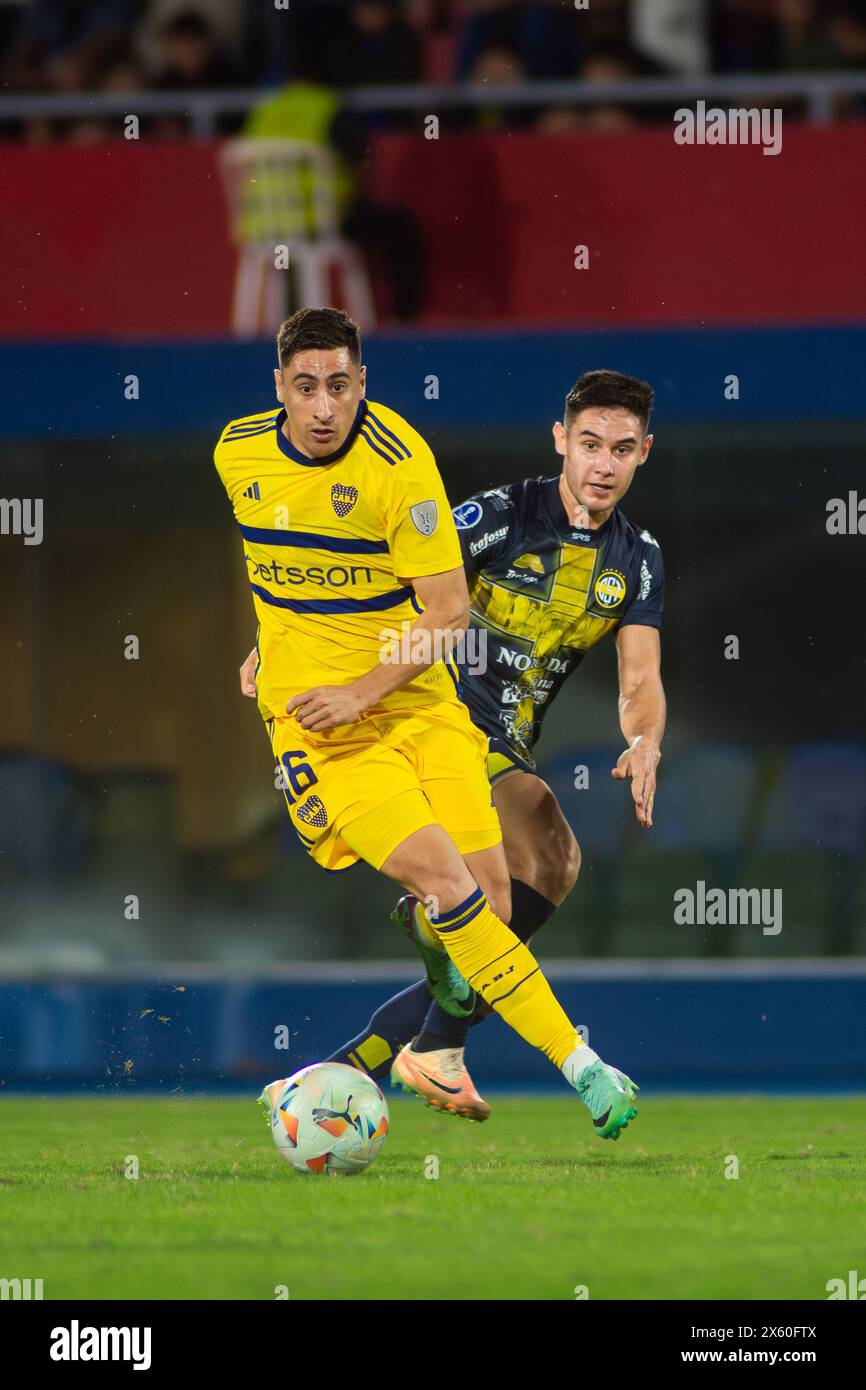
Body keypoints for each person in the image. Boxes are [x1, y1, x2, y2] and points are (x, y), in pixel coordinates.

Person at [219, 308, 639, 1141]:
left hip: (419, 702)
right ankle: (581, 1065)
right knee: (450, 890)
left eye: (340, 385)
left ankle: (336, 1075)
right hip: (325, 728)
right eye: (305, 387)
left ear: (362, 384)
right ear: (280, 390)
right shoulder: (236, 452)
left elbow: (448, 615)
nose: (324, 407)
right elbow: (276, 566)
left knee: (486, 900)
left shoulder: (400, 464)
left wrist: (366, 685)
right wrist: (274, 651)